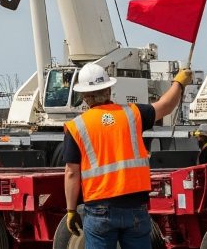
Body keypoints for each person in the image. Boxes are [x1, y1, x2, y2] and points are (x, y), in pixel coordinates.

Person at [62, 62, 193, 248]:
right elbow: (165, 106)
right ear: (108, 90)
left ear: (84, 97)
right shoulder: (133, 114)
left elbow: (71, 173)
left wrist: (71, 210)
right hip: (134, 207)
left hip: (99, 208)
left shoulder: (76, 127)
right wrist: (178, 83)